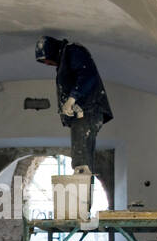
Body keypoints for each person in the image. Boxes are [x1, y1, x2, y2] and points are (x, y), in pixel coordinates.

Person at [35, 35, 113, 174]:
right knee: (81, 144)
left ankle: (81, 175)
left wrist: (71, 99)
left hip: (88, 109)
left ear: (52, 51)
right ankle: (83, 175)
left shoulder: (72, 51)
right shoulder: (66, 56)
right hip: (84, 110)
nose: (47, 63)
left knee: (81, 145)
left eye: (46, 59)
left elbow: (88, 75)